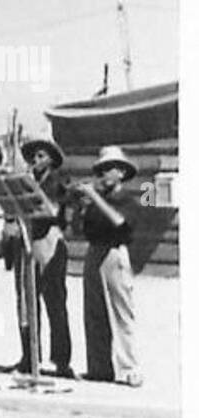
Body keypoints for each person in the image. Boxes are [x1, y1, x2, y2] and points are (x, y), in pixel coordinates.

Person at [73, 146, 142, 386]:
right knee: (94, 313)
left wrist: (94, 197)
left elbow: (120, 223)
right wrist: (81, 207)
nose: (102, 175)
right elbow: (80, 230)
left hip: (115, 252)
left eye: (107, 170)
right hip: (95, 253)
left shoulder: (128, 200)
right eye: (99, 171)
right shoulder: (97, 201)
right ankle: (99, 367)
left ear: (121, 173)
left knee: (121, 314)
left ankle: (129, 368)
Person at [11, 137, 73, 378]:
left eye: (41, 156)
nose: (36, 161)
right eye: (33, 157)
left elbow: (56, 210)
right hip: (27, 241)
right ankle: (29, 355)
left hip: (49, 240)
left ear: (51, 160)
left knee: (54, 301)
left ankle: (61, 360)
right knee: (26, 302)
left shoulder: (58, 181)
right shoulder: (27, 182)